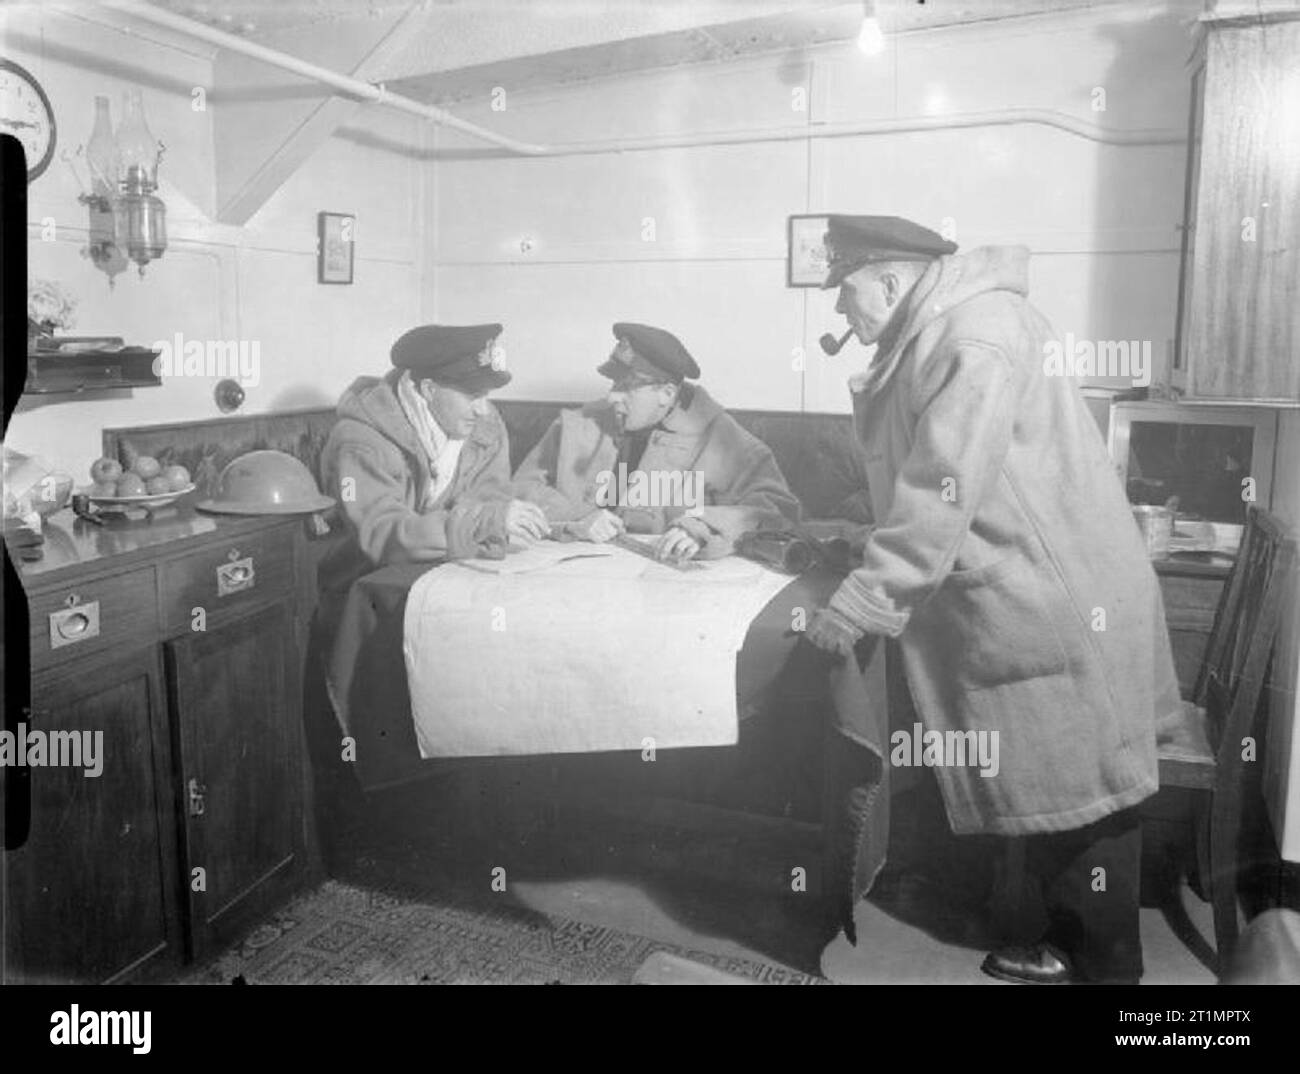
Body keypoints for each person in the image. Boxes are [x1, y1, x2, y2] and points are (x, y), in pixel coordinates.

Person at [804, 215, 1183, 984]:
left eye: (845, 293)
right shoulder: (950, 328)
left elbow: (942, 489)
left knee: (1084, 789)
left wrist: (864, 597)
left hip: (1053, 598)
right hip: (1037, 586)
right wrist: (854, 542)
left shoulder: (970, 336)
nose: (839, 313)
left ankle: (1112, 976)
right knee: (1065, 778)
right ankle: (1057, 939)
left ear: (889, 279)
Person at [512, 322, 800, 560]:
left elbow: (778, 508)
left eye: (627, 387)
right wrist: (579, 518)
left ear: (666, 393)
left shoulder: (722, 437)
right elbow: (520, 487)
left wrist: (703, 526)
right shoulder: (577, 425)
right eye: (614, 384)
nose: (613, 397)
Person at [319, 322, 548, 585]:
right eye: (473, 395)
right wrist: (482, 524)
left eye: (486, 395)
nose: (483, 409)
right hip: (365, 587)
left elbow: (489, 499)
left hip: (448, 573)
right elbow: (381, 534)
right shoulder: (360, 442)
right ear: (428, 390)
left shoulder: (485, 428)